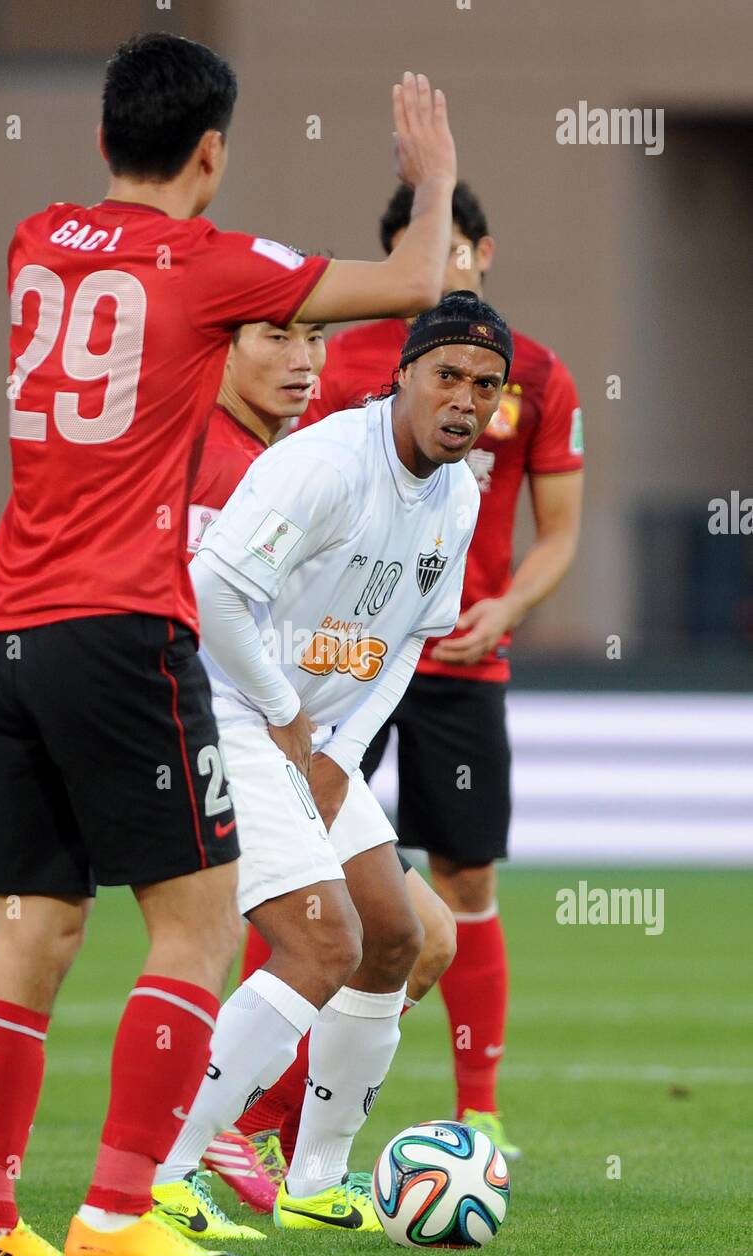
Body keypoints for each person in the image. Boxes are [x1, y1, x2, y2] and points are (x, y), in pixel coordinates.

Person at [0, 33, 461, 1256]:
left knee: (30, 936)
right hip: (125, 630)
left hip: (10, 631)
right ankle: (123, 1202)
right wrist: (432, 179)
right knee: (200, 928)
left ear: (105, 136)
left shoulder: (32, 237)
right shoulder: (207, 262)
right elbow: (408, 282)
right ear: (212, 150)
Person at [151, 291, 509, 1237]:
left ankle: (315, 1179)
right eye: (447, 376)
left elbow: (404, 646)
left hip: (309, 742)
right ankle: (165, 1168)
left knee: (401, 937)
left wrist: (338, 754)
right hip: (231, 714)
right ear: (402, 375)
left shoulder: (460, 495)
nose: (464, 401)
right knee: (323, 942)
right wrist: (282, 718)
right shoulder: (323, 466)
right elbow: (213, 591)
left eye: (485, 385)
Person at [279, 182, 585, 1160]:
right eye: (418, 249)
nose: (440, 267)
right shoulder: (340, 362)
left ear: (483, 253)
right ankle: (268, 1113)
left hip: (462, 662)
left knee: (464, 875)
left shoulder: (535, 376)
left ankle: (478, 1109)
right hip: (346, 661)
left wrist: (509, 603)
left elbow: (560, 533)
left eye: (452, 248)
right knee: (301, 874)